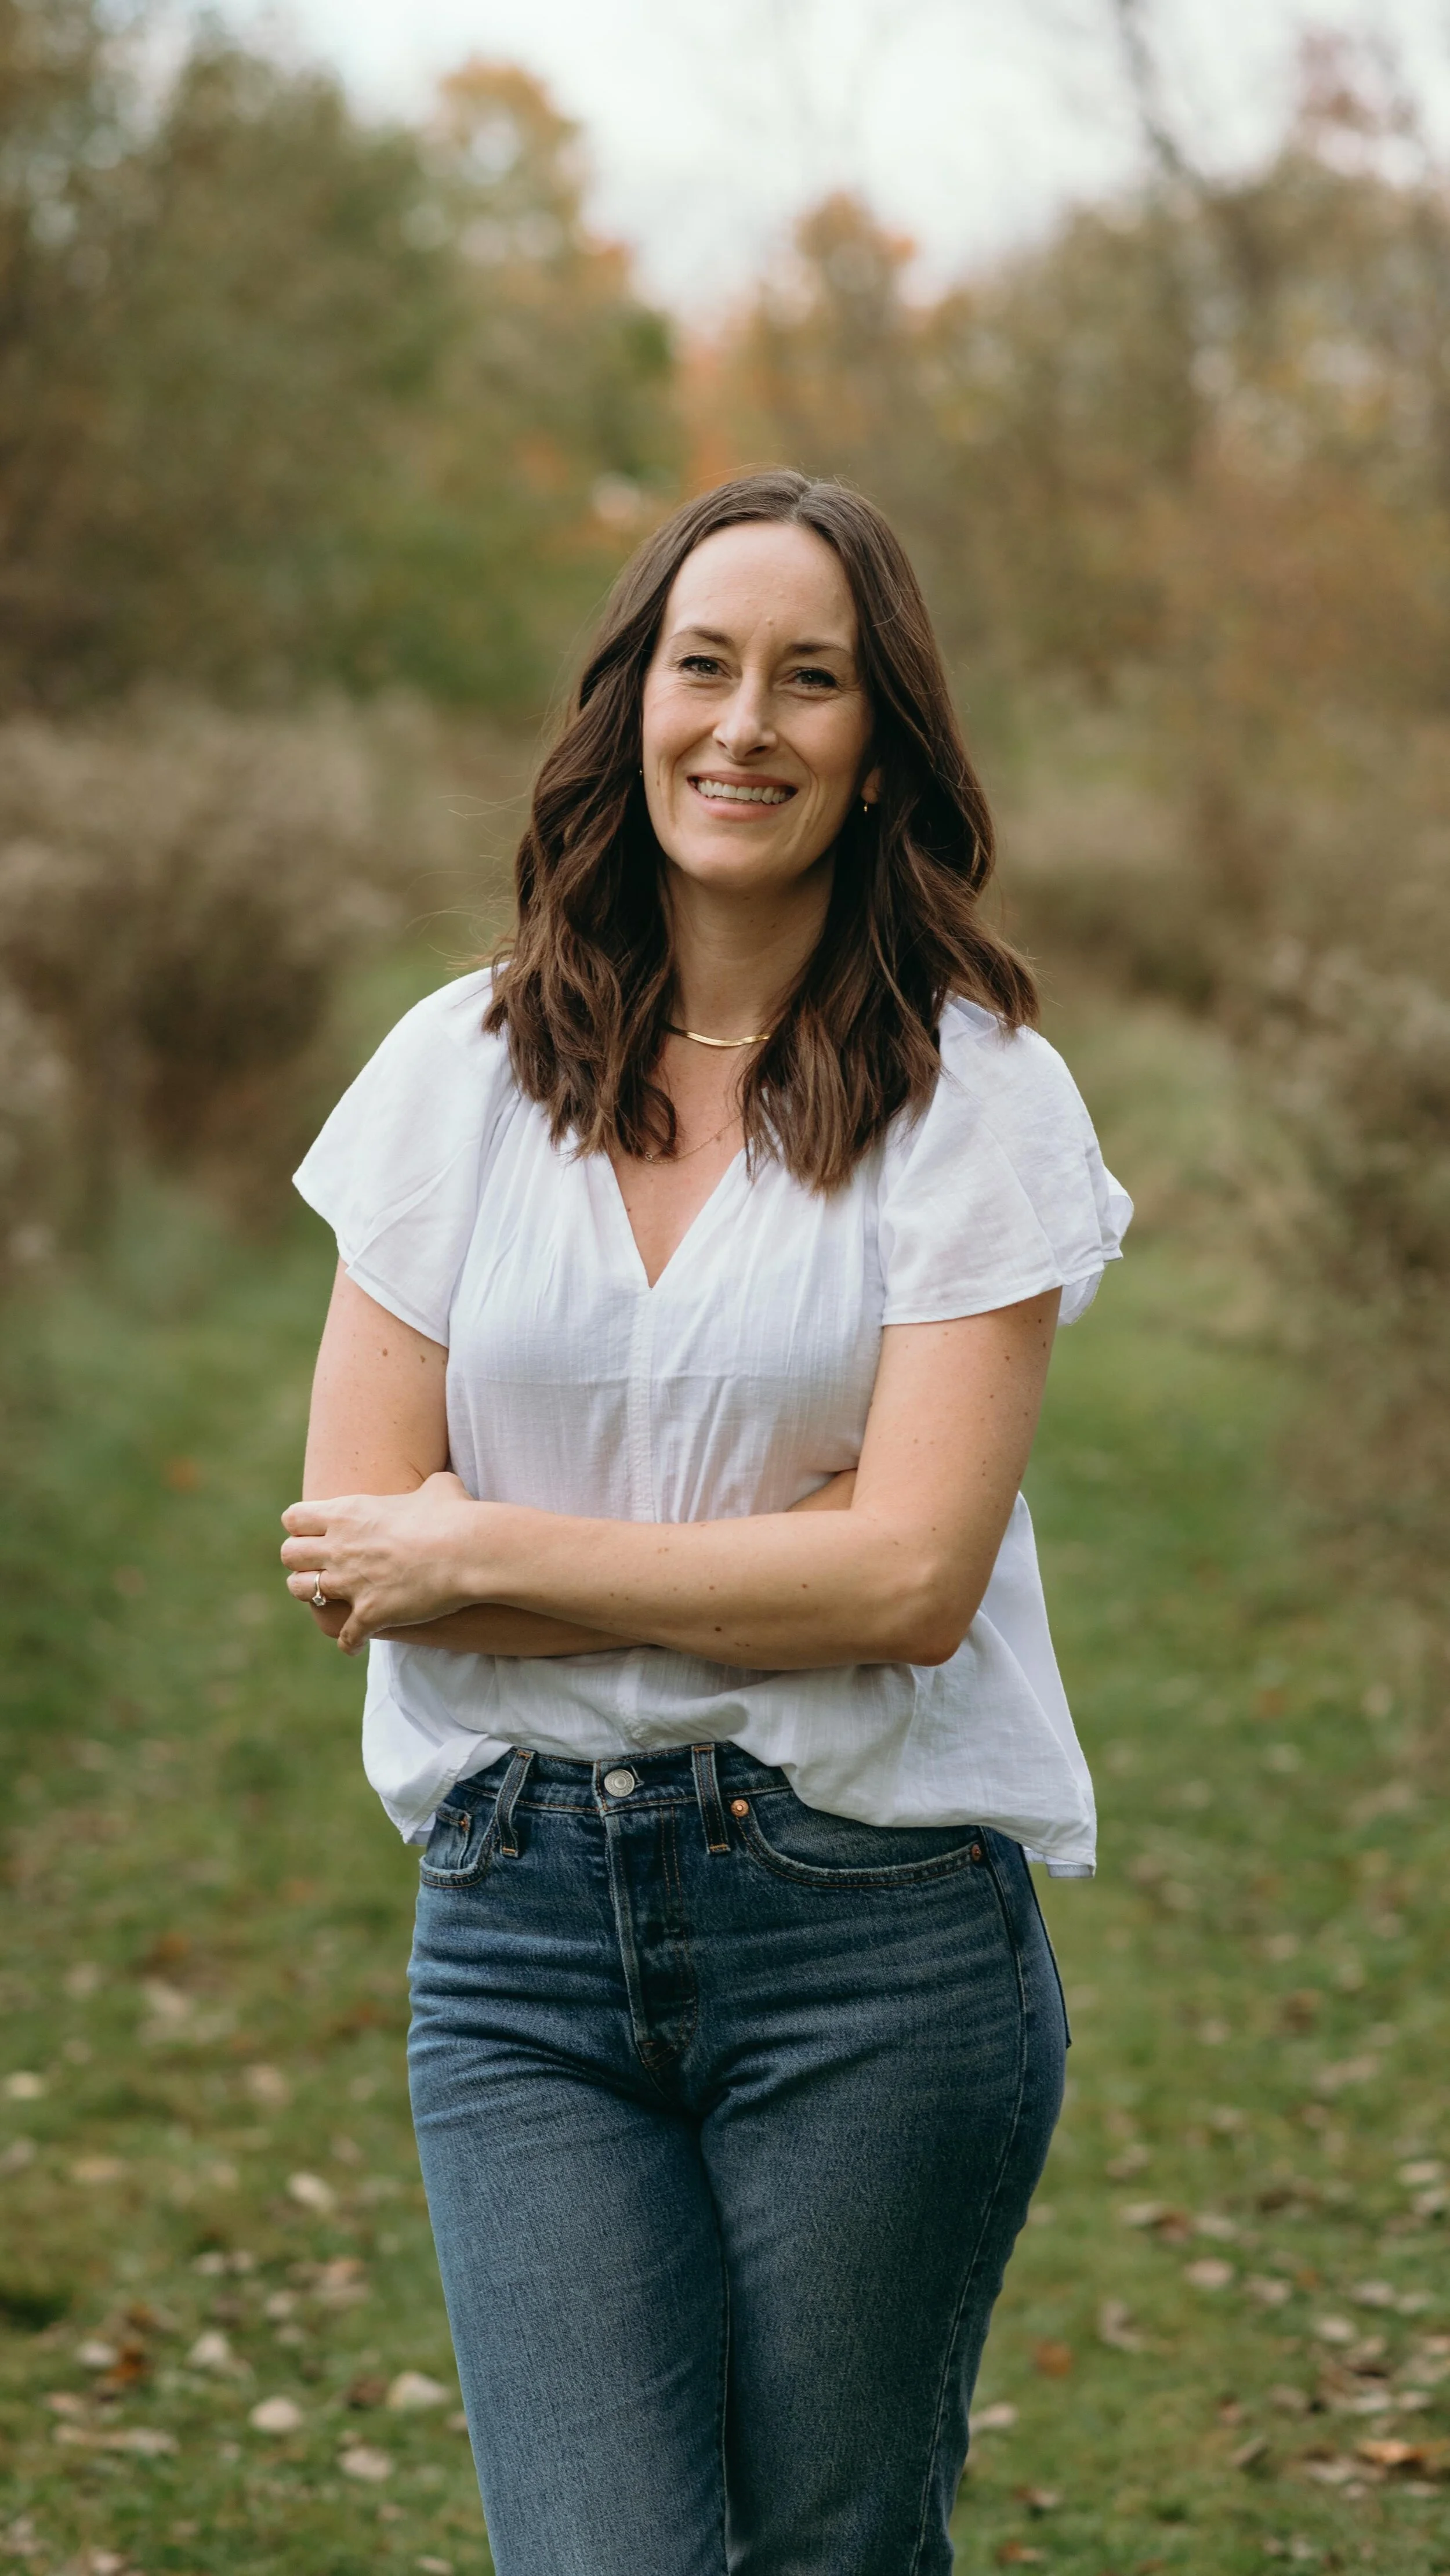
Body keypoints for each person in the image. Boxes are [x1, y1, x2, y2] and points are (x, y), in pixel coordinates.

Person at [281, 469, 1130, 2576]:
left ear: (877, 751)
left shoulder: (976, 1100)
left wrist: (488, 1555)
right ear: (632, 705)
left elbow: (910, 1586)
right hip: (518, 1940)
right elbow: (350, 1545)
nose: (744, 724)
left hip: (871, 1936)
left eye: (810, 680)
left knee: (834, 2550)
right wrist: (777, 1559)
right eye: (704, 664)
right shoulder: (451, 1076)